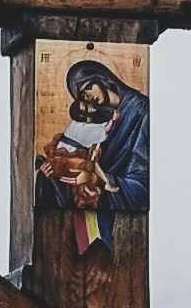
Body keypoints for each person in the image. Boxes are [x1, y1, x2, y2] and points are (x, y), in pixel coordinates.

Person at [36, 56, 148, 250]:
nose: (88, 96)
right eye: (82, 95)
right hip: (87, 191)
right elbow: (80, 156)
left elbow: (141, 188)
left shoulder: (139, 111)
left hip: (116, 198)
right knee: (46, 181)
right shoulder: (95, 120)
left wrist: (98, 181)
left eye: (88, 87)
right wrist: (52, 169)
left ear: (101, 77)